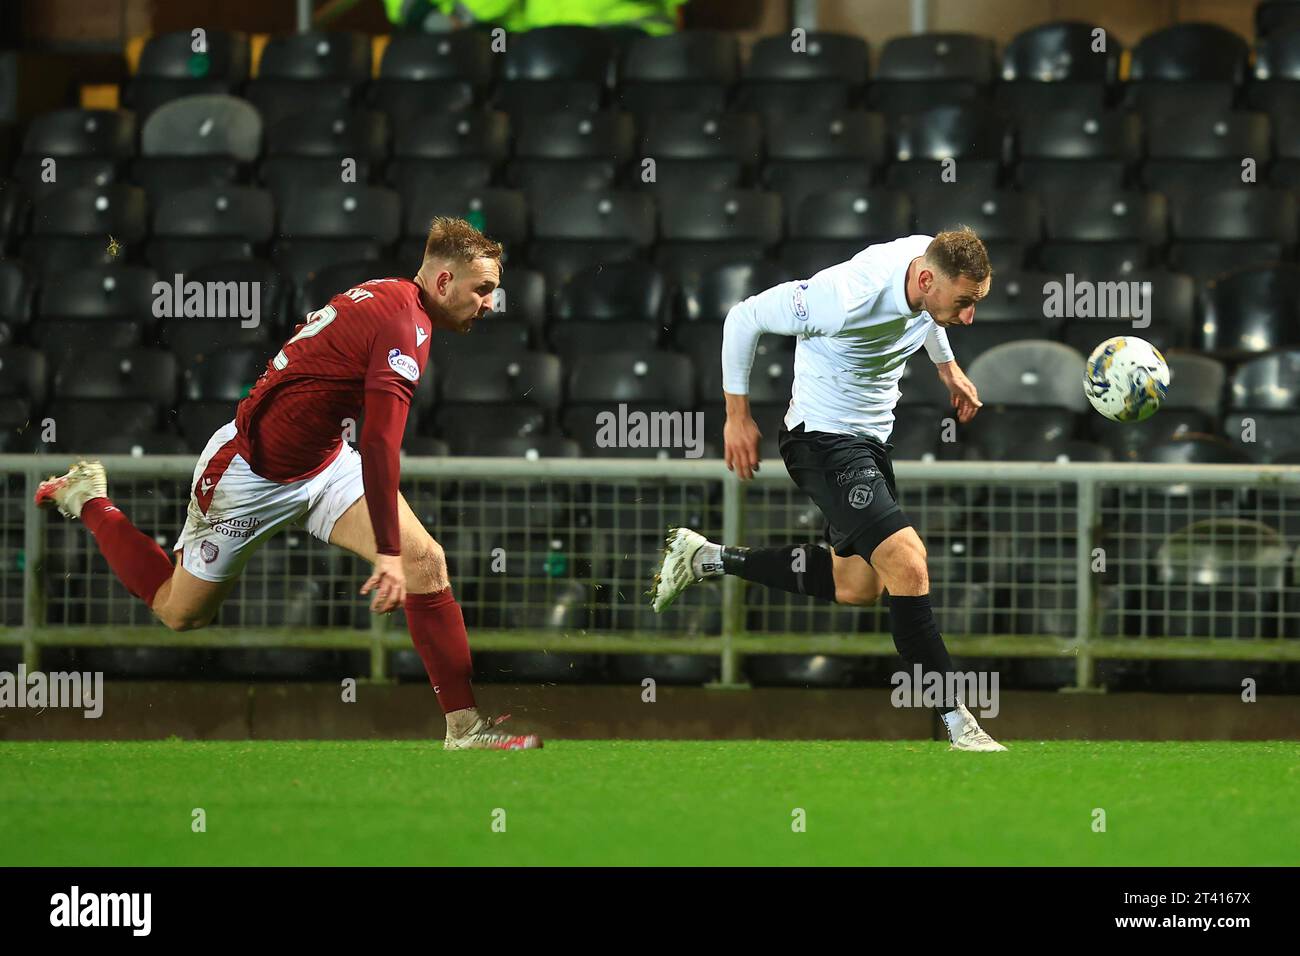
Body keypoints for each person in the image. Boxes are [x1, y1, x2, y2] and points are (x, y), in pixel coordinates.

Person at [35, 217, 541, 751]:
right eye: (482, 289)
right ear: (443, 282)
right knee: (180, 612)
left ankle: (464, 729)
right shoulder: (404, 325)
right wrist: (385, 551)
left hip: (322, 464)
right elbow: (379, 444)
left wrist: (398, 553)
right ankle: (88, 497)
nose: (490, 303)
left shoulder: (394, 298)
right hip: (249, 473)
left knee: (426, 562)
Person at [651, 228, 1007, 752]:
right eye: (965, 303)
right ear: (927, 278)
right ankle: (959, 722)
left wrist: (948, 367)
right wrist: (736, 416)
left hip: (868, 442)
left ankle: (708, 558)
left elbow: (929, 316)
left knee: (857, 588)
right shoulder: (841, 298)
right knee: (908, 563)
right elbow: (743, 317)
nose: (969, 316)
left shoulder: (929, 262)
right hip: (821, 439)